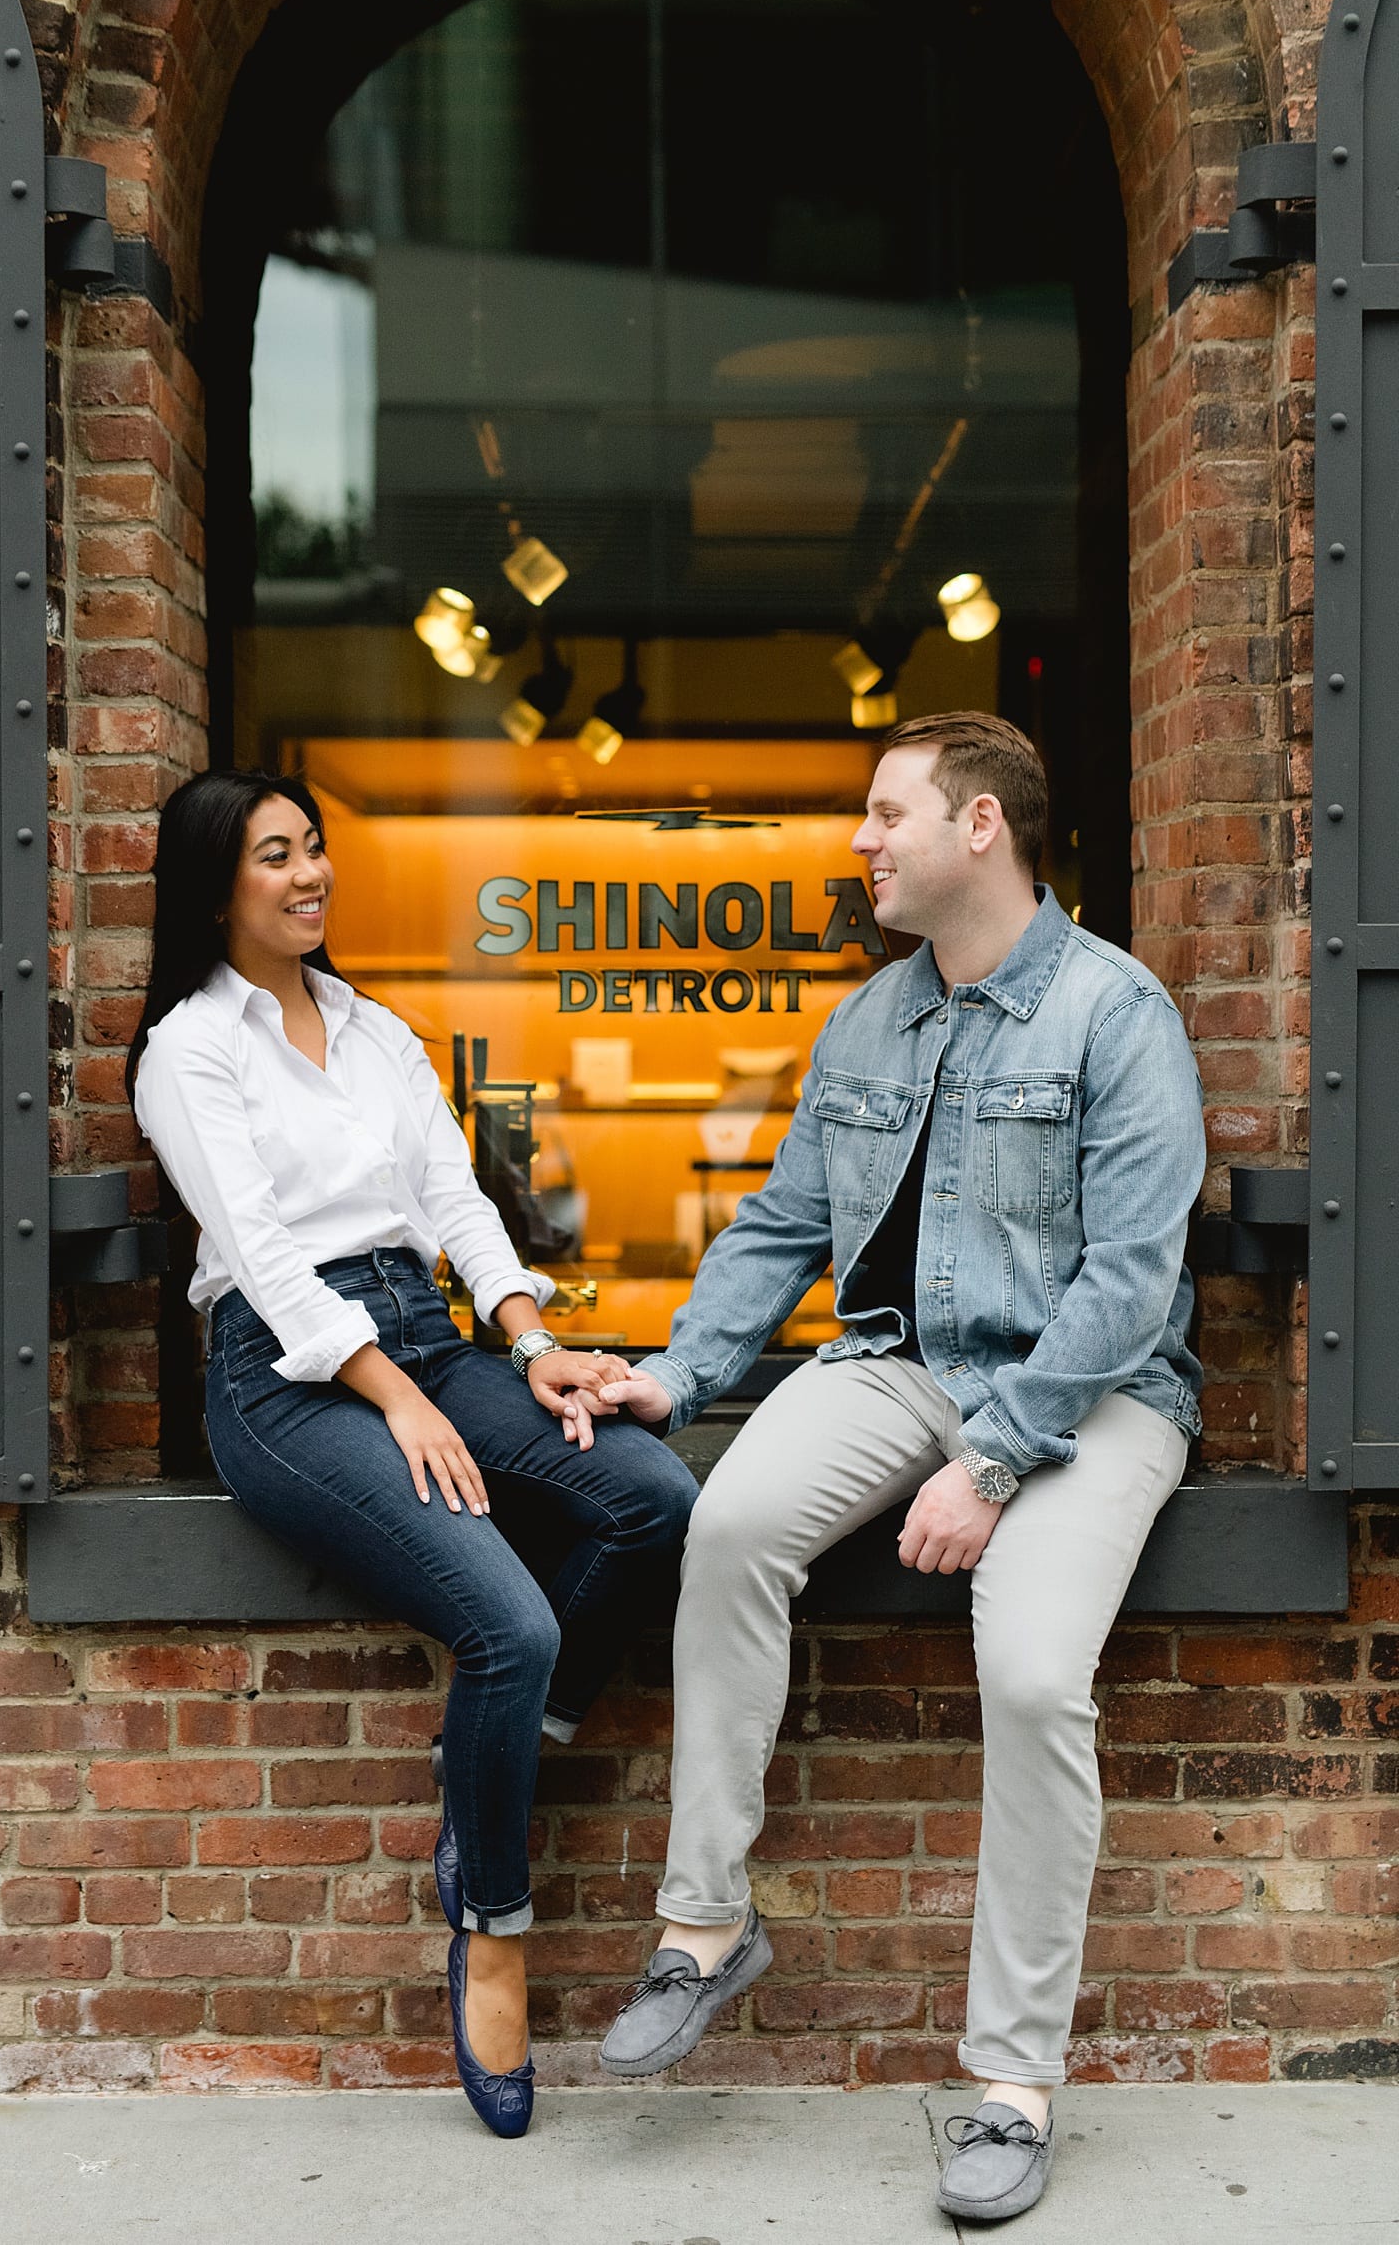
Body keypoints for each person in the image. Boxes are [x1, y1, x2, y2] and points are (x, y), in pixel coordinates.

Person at [592, 715, 1205, 2223]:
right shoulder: (872, 1022)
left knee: (1036, 1674)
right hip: (905, 1361)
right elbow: (787, 1226)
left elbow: (1128, 1284)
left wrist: (993, 1462)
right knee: (727, 1524)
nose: (860, 843)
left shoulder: (1116, 1015)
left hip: (1097, 1391)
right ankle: (704, 1925)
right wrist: (676, 1376)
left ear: (981, 826)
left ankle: (1010, 2085)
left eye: (885, 814)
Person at [128, 770, 697, 2139]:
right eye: (278, 856)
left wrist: (523, 1339)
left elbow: (456, 1193)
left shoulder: (376, 1028)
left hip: (430, 1338)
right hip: (292, 1379)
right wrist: (396, 1396)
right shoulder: (190, 1050)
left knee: (654, 1499)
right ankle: (492, 1925)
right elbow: (261, 1257)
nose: (313, 872)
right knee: (507, 1625)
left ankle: (485, 1778)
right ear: (217, 888)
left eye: (316, 847)